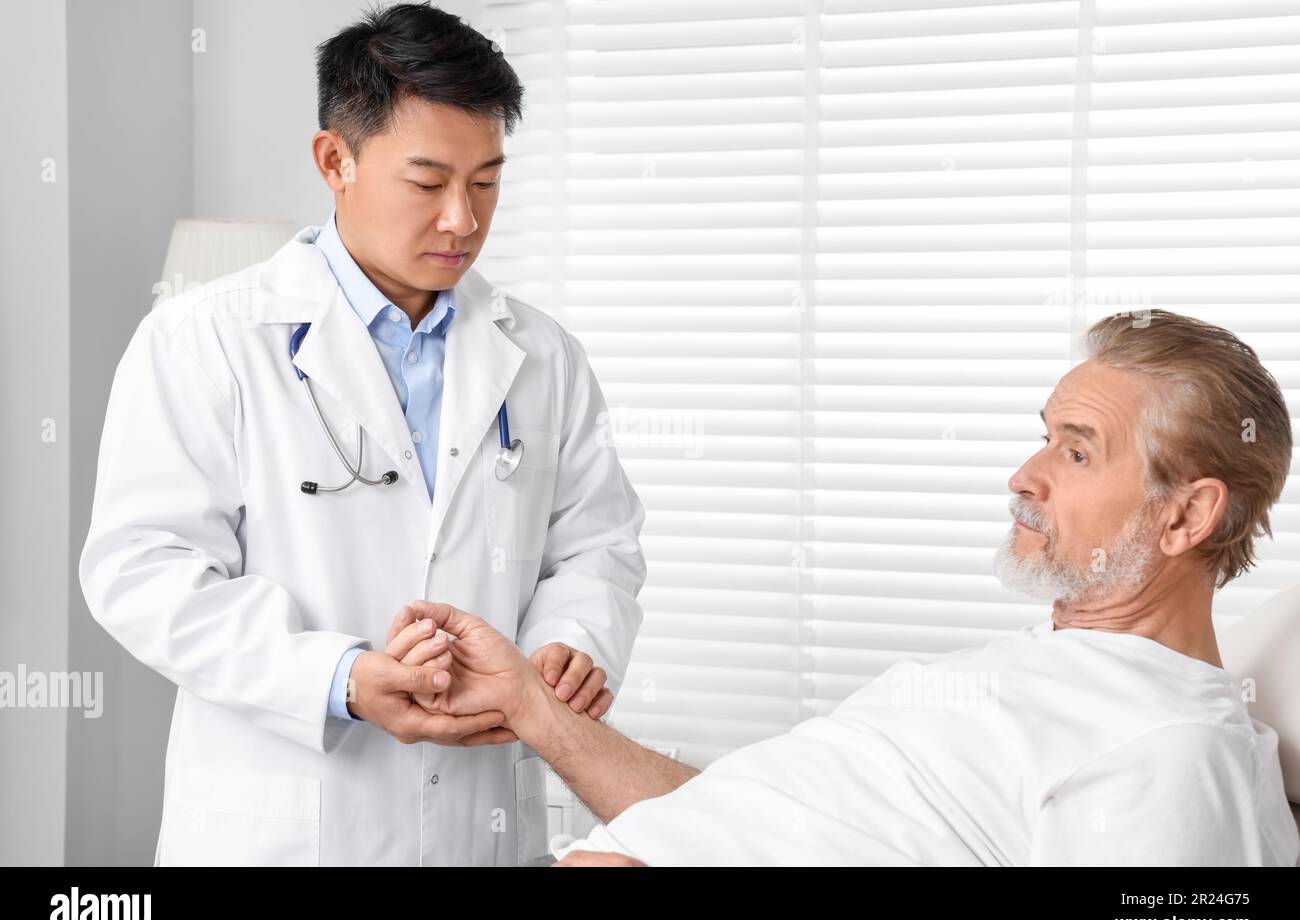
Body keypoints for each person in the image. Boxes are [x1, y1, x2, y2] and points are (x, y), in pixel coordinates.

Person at [388, 310, 1299, 866]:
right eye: (1043, 436)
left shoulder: (1174, 751)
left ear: (1185, 517)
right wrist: (534, 708)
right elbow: (735, 819)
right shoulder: (1033, 675)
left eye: (1075, 449)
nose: (1025, 474)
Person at [79, 3, 645, 866]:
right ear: (335, 159)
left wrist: (569, 645)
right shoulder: (205, 340)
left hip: (480, 823)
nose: (463, 218)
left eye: (487, 181)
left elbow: (598, 546)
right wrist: (339, 678)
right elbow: (139, 571)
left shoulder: (542, 356)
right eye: (428, 183)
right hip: (284, 828)